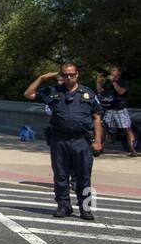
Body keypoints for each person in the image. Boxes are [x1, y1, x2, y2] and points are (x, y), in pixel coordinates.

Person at [24, 63, 104, 220]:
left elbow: (97, 117)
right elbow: (28, 94)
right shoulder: (53, 91)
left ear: (77, 74)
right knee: (60, 174)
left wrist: (98, 141)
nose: (69, 77)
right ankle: (63, 205)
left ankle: (85, 208)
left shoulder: (87, 93)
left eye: (72, 74)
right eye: (66, 75)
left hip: (82, 140)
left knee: (84, 175)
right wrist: (41, 78)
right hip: (60, 139)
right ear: (61, 75)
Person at [97, 66, 136, 156]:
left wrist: (114, 82)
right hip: (109, 108)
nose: (111, 72)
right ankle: (100, 147)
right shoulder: (107, 82)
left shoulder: (123, 82)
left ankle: (132, 149)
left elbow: (121, 92)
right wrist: (98, 81)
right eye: (111, 70)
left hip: (120, 108)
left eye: (114, 70)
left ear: (119, 73)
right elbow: (100, 91)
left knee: (127, 128)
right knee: (105, 128)